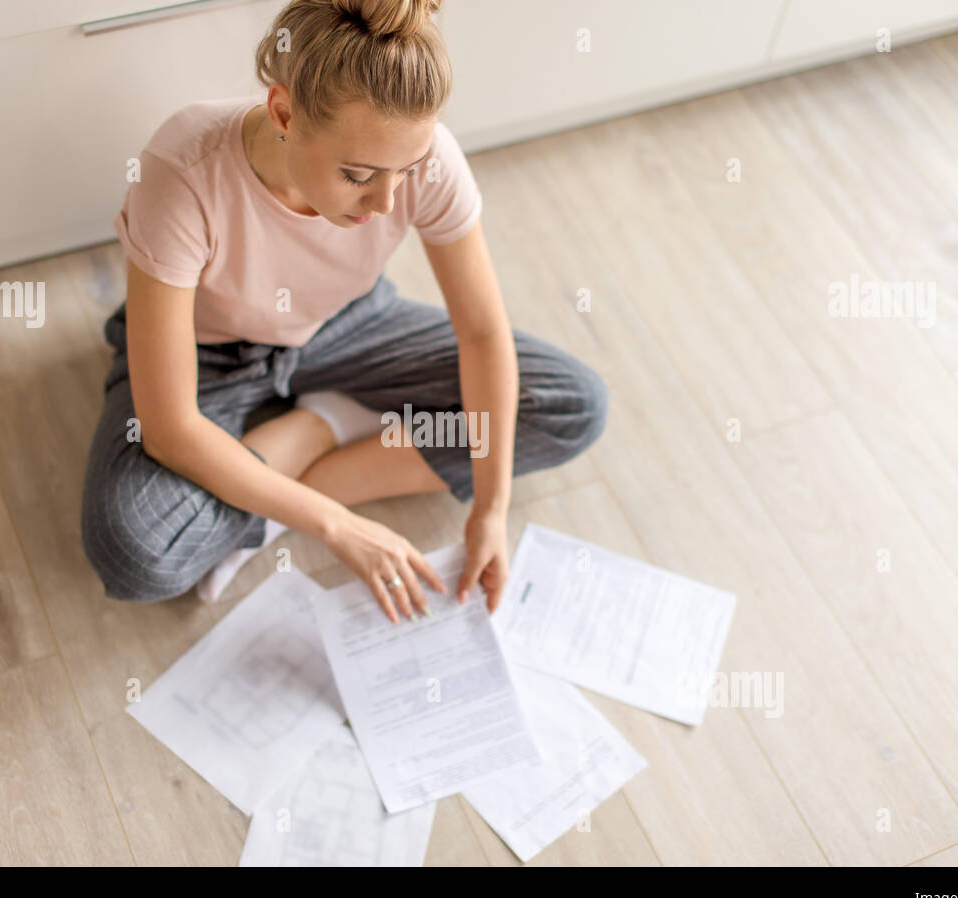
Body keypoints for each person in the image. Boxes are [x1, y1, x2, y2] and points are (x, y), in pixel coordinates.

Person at [80, 0, 608, 623]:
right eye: (358, 174)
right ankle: (319, 426)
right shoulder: (182, 171)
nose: (386, 201)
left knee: (571, 405)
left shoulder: (428, 163)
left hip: (349, 323)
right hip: (213, 350)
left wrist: (490, 510)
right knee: (136, 554)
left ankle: (316, 432)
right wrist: (337, 528)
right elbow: (169, 431)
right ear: (283, 112)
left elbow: (484, 333)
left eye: (405, 170)